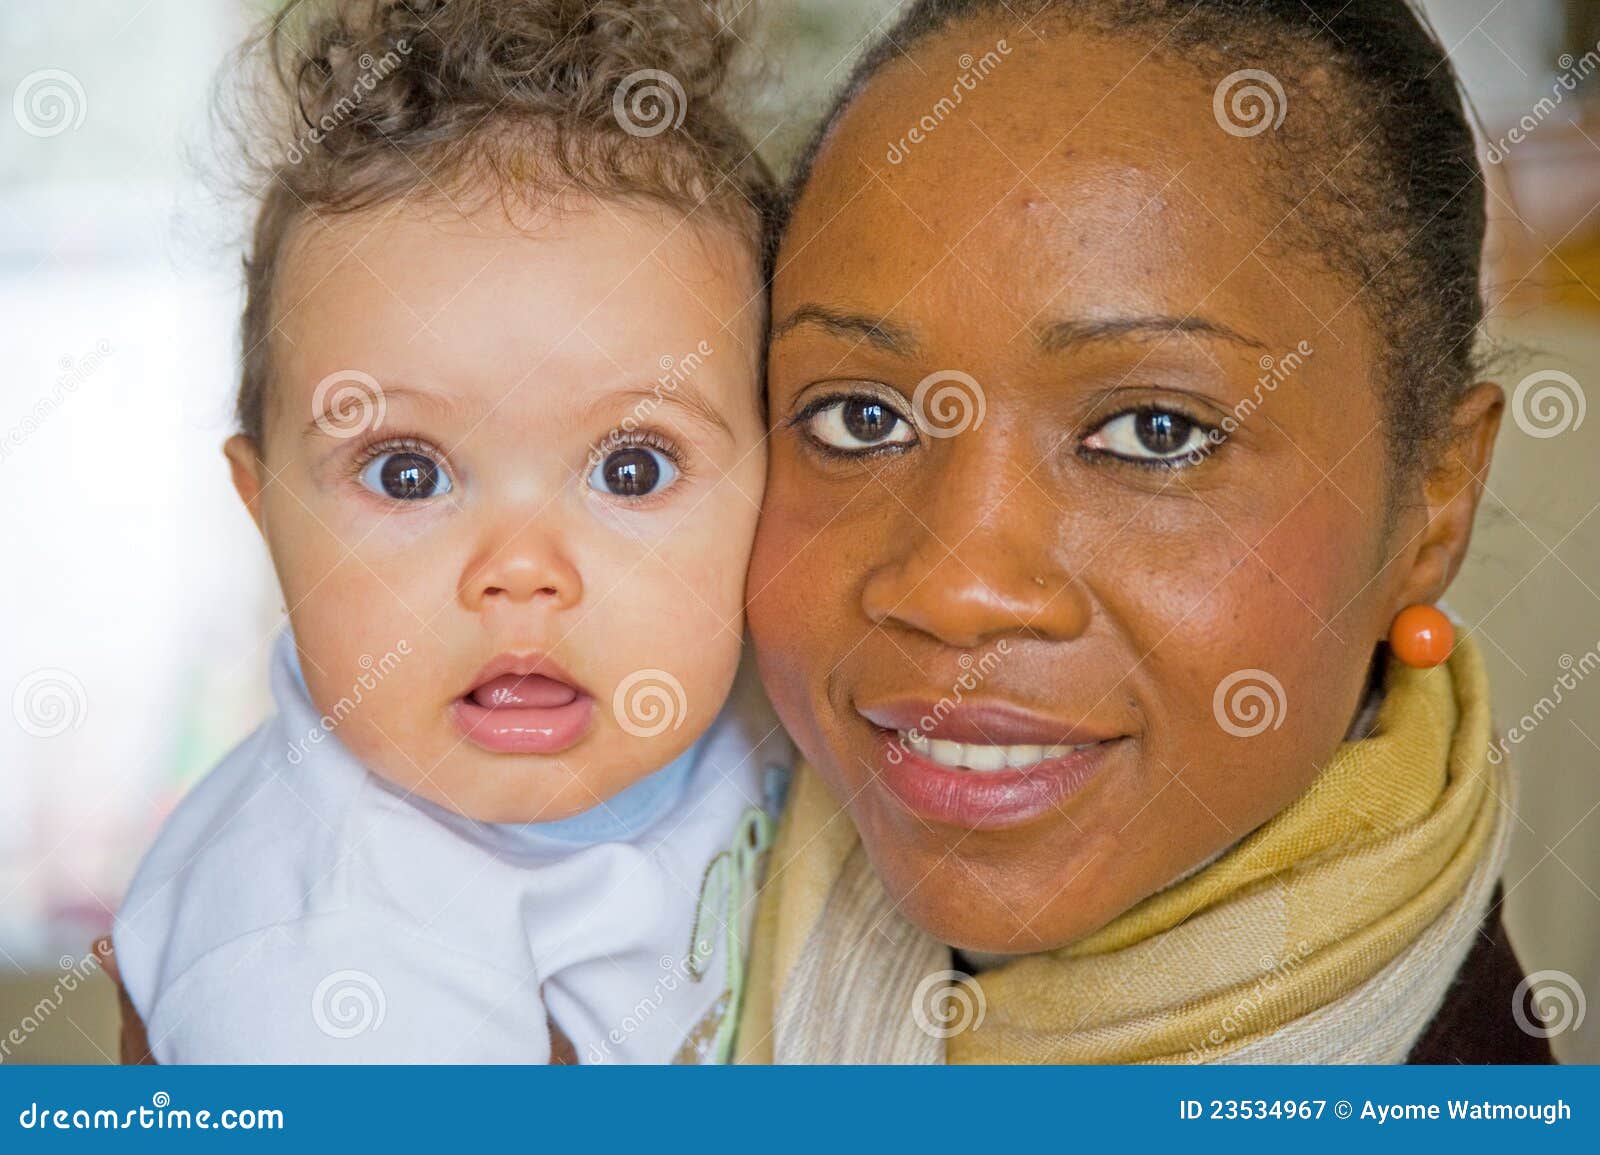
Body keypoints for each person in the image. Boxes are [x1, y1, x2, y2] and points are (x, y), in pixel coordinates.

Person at [737, 0, 1550, 1063]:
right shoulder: (655, 895)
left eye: (1154, 431)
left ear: (1433, 502)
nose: (955, 589)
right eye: (859, 418)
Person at [110, 0, 788, 1064]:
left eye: (632, 469)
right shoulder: (323, 967)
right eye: (407, 473)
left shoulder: (769, 698)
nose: (520, 570)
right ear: (262, 509)